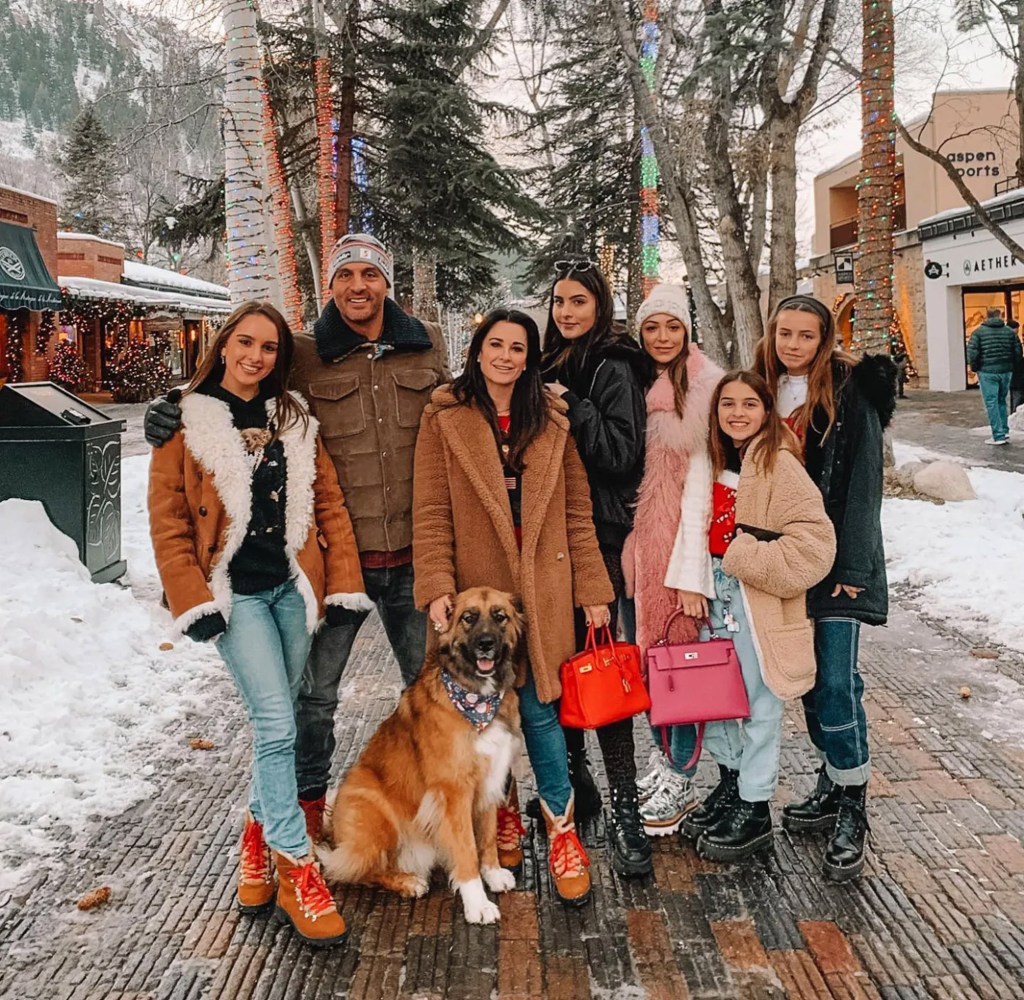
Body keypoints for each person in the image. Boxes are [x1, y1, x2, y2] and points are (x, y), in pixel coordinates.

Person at [145, 234, 451, 837]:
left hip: (417, 556)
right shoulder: (305, 356)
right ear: (329, 285)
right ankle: (306, 803)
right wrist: (169, 410)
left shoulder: (428, 346)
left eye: (370, 273)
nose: (358, 286)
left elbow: (459, 413)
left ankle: (448, 806)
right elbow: (238, 385)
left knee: (436, 692)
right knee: (314, 698)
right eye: (345, 275)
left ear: (388, 283)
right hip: (342, 562)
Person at [148, 301, 370, 946]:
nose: (255, 356)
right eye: (244, 343)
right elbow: (168, 523)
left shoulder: (293, 419)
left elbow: (326, 502)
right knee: (275, 722)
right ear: (222, 346)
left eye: (269, 348)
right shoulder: (186, 422)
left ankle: (255, 836)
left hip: (290, 591)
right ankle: (293, 862)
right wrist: (192, 598)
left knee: (290, 716)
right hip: (234, 596)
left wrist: (346, 583)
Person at [412, 308, 614, 906]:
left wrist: (594, 592)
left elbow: (577, 511)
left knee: (543, 711)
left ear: (530, 356)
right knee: (479, 719)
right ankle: (495, 821)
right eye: (495, 344)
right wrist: (437, 585)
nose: (505, 355)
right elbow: (431, 510)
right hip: (479, 598)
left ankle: (562, 831)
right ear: (477, 350)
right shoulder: (445, 417)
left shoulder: (551, 419)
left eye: (517, 347)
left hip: (543, 590)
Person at [754, 294, 896, 882]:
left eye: (805, 336)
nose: (793, 345)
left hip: (839, 566)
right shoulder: (760, 388)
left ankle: (853, 806)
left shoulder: (848, 389)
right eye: (784, 333)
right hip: (787, 567)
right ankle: (832, 781)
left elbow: (865, 483)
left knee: (838, 684)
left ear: (824, 340)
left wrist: (851, 571)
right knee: (809, 686)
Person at [664, 371, 835, 860]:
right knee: (715, 700)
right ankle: (732, 783)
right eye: (728, 405)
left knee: (759, 704)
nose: (737, 414)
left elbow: (815, 547)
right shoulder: (711, 462)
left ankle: (756, 804)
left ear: (767, 412)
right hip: (710, 596)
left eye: (749, 405)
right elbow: (692, 527)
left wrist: (742, 557)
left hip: (752, 598)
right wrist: (694, 580)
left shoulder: (779, 465)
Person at [539, 260, 652, 877]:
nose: (566, 312)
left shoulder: (613, 367)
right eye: (558, 302)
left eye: (578, 301)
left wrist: (573, 405)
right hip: (546, 537)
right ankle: (575, 788)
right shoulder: (553, 362)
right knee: (558, 671)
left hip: (600, 538)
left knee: (600, 676)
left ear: (599, 306)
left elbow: (619, 455)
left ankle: (626, 810)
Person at [617, 284, 722, 838]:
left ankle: (681, 775)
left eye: (672, 327)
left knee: (682, 674)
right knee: (653, 669)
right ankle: (663, 764)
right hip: (644, 553)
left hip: (678, 557)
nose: (661, 337)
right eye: (652, 327)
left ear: (687, 331)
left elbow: (702, 493)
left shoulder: (704, 388)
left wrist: (690, 573)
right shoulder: (644, 386)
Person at [967, 307, 1022, 445]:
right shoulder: (1010, 333)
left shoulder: (978, 333)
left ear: (987, 316)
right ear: (1000, 315)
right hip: (1006, 370)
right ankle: (1004, 430)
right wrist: (1013, 366)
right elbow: (1017, 351)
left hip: (987, 371)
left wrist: (975, 367)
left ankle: (998, 435)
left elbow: (973, 353)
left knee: (991, 403)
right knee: (1001, 400)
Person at [1008, 320, 1024, 417]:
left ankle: (1013, 416)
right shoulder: (1014, 339)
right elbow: (1018, 354)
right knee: (1017, 396)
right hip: (1017, 374)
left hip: (1013, 373)